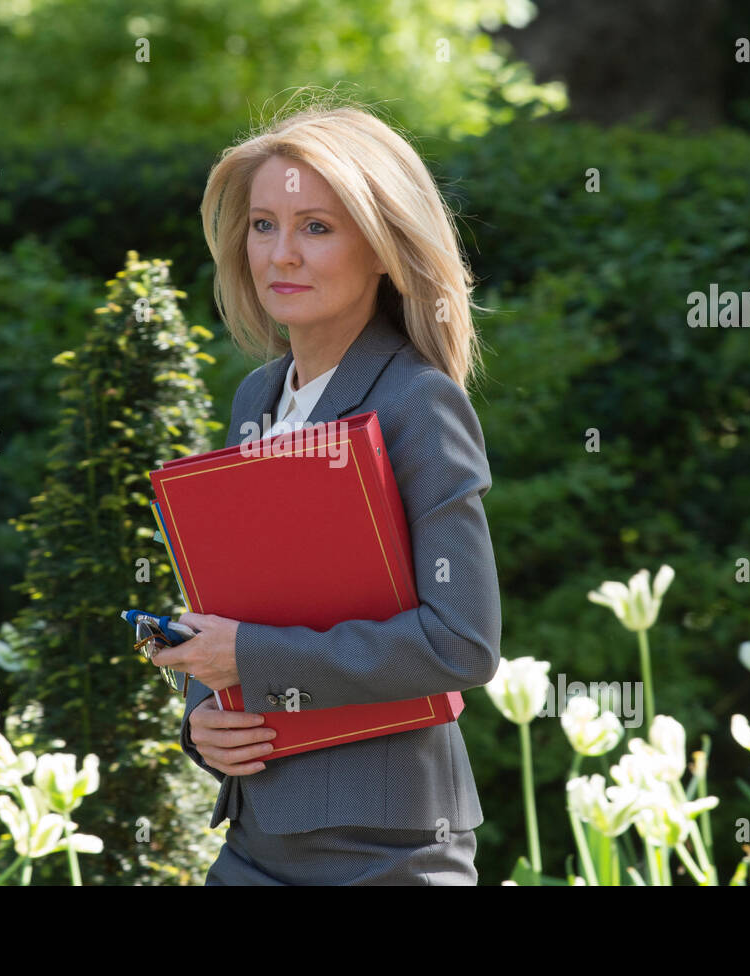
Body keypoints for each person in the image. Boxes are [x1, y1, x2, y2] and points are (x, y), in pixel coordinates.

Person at [150, 97, 501, 885]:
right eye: (264, 224)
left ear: (382, 247)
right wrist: (202, 718)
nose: (281, 254)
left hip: (385, 852)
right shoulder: (257, 401)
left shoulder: (419, 402)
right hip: (255, 840)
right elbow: (247, 609)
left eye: (317, 226)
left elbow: (463, 643)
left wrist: (249, 653)